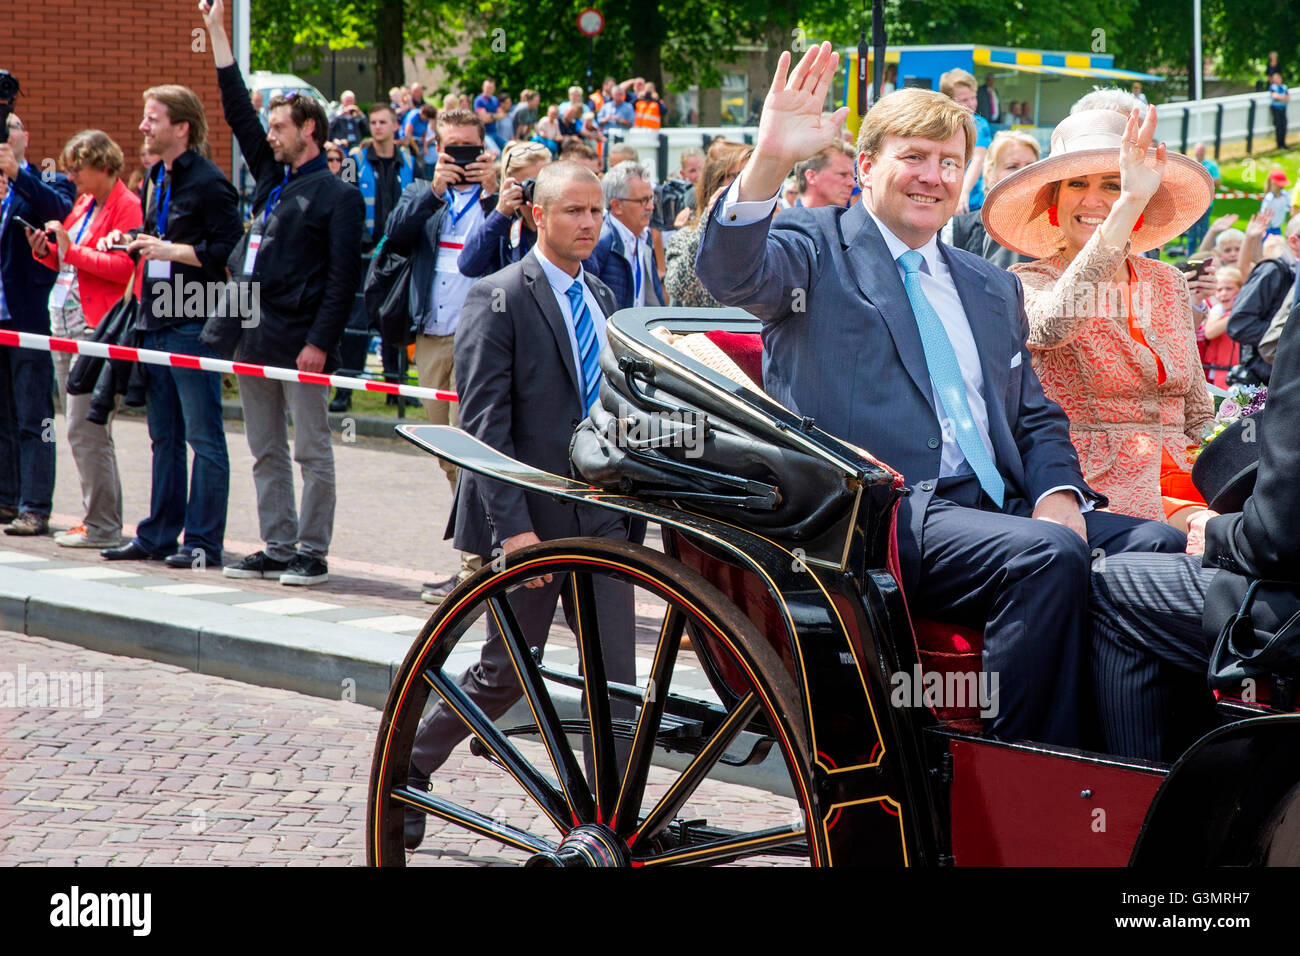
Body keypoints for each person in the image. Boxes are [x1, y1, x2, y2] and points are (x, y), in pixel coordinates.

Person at [696, 43, 1186, 749]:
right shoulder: (812, 243)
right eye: (914, 157)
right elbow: (730, 274)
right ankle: (1030, 779)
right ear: (865, 168)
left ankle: (1133, 768)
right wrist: (769, 158)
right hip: (880, 518)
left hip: (1001, 509)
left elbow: (1034, 414)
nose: (932, 177)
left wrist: (1059, 495)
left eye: (949, 162)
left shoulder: (987, 284)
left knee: (1157, 544)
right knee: (1045, 556)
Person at [403, 160, 635, 851]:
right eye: (573, 211)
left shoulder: (602, 294)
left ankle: (611, 831)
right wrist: (517, 532)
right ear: (538, 215)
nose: (589, 224)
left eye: (596, 212)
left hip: (601, 519)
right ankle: (412, 763)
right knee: (506, 673)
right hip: (532, 521)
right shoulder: (497, 295)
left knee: (614, 686)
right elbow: (484, 428)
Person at [982, 93, 1217, 528]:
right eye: (1077, 184)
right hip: (1098, 484)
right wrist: (1125, 205)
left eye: (1112, 184)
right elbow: (1053, 326)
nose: (1094, 200)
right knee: (1215, 542)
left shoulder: (1166, 280)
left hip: (1191, 477)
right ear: (1054, 200)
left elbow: (1198, 411)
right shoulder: (1026, 279)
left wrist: (1239, 470)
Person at [1088, 305, 1300, 762]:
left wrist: (1216, 530)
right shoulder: (1034, 286)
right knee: (1151, 542)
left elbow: (1277, 539)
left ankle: (1140, 808)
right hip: (1112, 482)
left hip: (1290, 608)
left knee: (1112, 585)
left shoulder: (1167, 286)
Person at [202, 0, 364, 586]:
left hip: (302, 344)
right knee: (265, 449)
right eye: (269, 128)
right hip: (253, 336)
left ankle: (312, 551)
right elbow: (237, 113)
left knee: (311, 453)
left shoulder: (339, 195)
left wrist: (321, 341)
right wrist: (217, 32)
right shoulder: (272, 179)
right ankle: (277, 543)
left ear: (309, 130)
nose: (269, 135)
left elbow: (345, 279)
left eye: (280, 128)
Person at [98, 85, 241, 567]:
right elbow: (160, 237)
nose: (143, 126)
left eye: (152, 118)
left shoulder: (211, 182)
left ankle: (202, 543)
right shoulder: (157, 176)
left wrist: (170, 251)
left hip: (193, 320)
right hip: (154, 317)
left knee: (204, 436)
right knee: (163, 436)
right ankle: (158, 535)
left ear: (181, 127)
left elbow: (229, 253)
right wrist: (136, 242)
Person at [385, 108, 498, 602]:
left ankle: (478, 566)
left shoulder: (499, 196)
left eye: (470, 149)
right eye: (452, 149)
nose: (461, 159)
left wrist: (495, 191)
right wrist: (433, 189)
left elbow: (510, 250)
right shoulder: (422, 192)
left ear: (484, 148)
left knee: (470, 449)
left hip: (480, 338)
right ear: (436, 149)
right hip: (430, 335)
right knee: (447, 455)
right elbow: (394, 234)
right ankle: (487, 549)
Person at [28, 130, 141, 548]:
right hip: (65, 327)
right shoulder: (85, 203)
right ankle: (94, 518)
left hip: (95, 329)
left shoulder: (125, 206)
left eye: (78, 166)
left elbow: (122, 268)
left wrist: (69, 250)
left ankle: (104, 526)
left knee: (86, 428)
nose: (70, 174)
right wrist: (44, 249)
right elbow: (67, 257)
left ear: (103, 165)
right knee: (79, 429)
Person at [0, 113, 75, 536]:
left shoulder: (52, 181)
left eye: (9, 125)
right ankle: (6, 499)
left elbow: (59, 210)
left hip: (30, 319)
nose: (3, 134)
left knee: (35, 417)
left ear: (25, 137)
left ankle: (35, 506)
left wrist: (17, 176)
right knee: (4, 416)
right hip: (0, 319)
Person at [330, 103, 419, 413]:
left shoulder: (409, 162)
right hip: (364, 257)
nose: (377, 127)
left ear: (396, 126)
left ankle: (397, 388)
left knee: (397, 320)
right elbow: (343, 208)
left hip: (399, 256)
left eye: (383, 122)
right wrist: (364, 244)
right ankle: (345, 391)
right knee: (355, 325)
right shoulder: (353, 162)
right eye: (374, 122)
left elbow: (420, 205)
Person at [664, 142, 752, 307]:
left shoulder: (766, 234)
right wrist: (709, 220)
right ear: (716, 182)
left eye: (752, 175)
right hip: (705, 332)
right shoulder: (685, 237)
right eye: (738, 176)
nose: (747, 183)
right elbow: (678, 288)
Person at [943, 129, 1039, 268]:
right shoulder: (959, 229)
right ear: (990, 174)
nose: (1023, 173)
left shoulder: (1056, 229)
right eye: (1012, 166)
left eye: (1031, 166)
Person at [1225, 214, 1300, 385]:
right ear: (1294, 240)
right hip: (1262, 380)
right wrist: (1285, 335)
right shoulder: (1273, 271)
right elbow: (1239, 324)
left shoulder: (1293, 271)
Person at [458, 140, 550, 278]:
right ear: (512, 185)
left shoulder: (564, 223)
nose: (537, 191)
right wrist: (500, 213)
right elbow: (467, 267)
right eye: (530, 184)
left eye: (544, 182)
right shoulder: (504, 226)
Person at [584, 160, 664, 310]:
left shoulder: (643, 236)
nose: (651, 207)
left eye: (651, 198)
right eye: (643, 200)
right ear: (617, 206)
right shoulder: (599, 242)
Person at [940, 68, 991, 215]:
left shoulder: (979, 125)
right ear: (949, 101)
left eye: (973, 98)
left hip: (971, 202)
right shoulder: (939, 126)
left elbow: (978, 158)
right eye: (964, 100)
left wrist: (963, 191)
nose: (972, 104)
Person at [1201, 265, 1242, 388]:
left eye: (1229, 289)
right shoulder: (1218, 310)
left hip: (1245, 372)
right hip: (1222, 372)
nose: (1223, 294)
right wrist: (1237, 313)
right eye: (1219, 290)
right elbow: (1210, 332)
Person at [790, 141, 856, 209]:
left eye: (852, 177)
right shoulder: (787, 218)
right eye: (842, 174)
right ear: (812, 177)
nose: (853, 184)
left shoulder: (848, 218)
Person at [1185, 143, 1219, 254]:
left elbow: (1218, 182)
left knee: (1204, 230)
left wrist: (1203, 177)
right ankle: (1190, 254)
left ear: (1204, 152)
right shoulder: (1190, 163)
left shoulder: (1211, 165)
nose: (1199, 153)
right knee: (1192, 231)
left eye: (1201, 151)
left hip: (1207, 203)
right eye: (1197, 151)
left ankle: (1205, 253)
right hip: (1193, 204)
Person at [473, 79, 507, 152]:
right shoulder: (479, 100)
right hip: (484, 134)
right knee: (496, 153)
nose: (489, 90)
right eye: (487, 87)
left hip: (494, 133)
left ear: (494, 89)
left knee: (510, 147)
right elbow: (484, 119)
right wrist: (495, 116)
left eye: (491, 88)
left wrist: (490, 116)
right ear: (483, 87)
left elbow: (502, 115)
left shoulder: (494, 100)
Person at [1260, 169, 1296, 237]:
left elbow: (1291, 206)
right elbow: (1263, 215)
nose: (1282, 186)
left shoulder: (1285, 195)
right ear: (1273, 182)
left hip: (1277, 229)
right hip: (1267, 230)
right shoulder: (1269, 199)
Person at [1267, 71, 1290, 150]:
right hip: (1276, 109)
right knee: (1278, 127)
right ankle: (1279, 145)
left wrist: (1281, 97)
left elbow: (1287, 98)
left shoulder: (1284, 87)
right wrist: (1282, 97)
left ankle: (1283, 144)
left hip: (1283, 109)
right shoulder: (1273, 87)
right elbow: (1275, 96)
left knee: (1284, 126)